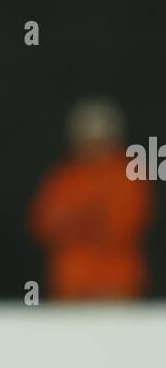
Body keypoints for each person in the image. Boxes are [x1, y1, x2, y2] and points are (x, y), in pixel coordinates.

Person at [28, 96, 154, 299]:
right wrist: (88, 217)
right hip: (71, 282)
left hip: (118, 282)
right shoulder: (64, 177)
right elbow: (45, 223)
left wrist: (82, 220)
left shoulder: (129, 175)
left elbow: (126, 222)